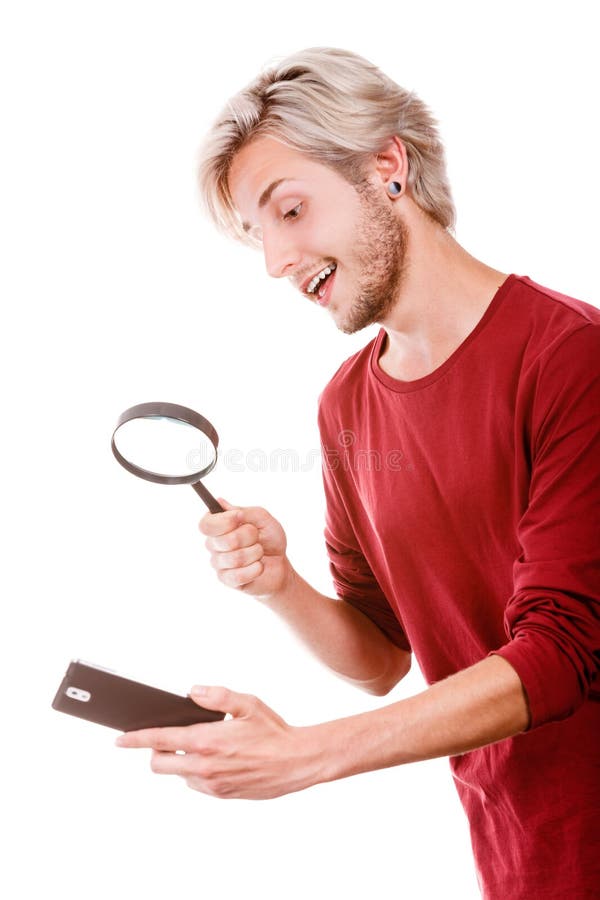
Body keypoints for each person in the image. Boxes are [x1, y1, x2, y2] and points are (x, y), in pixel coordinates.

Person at [116, 48, 600, 898]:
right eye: (255, 234)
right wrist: (281, 584)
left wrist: (306, 754)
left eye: (291, 210)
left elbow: (562, 653)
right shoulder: (346, 407)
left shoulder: (572, 358)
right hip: (519, 857)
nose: (274, 261)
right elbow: (381, 656)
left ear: (388, 165)